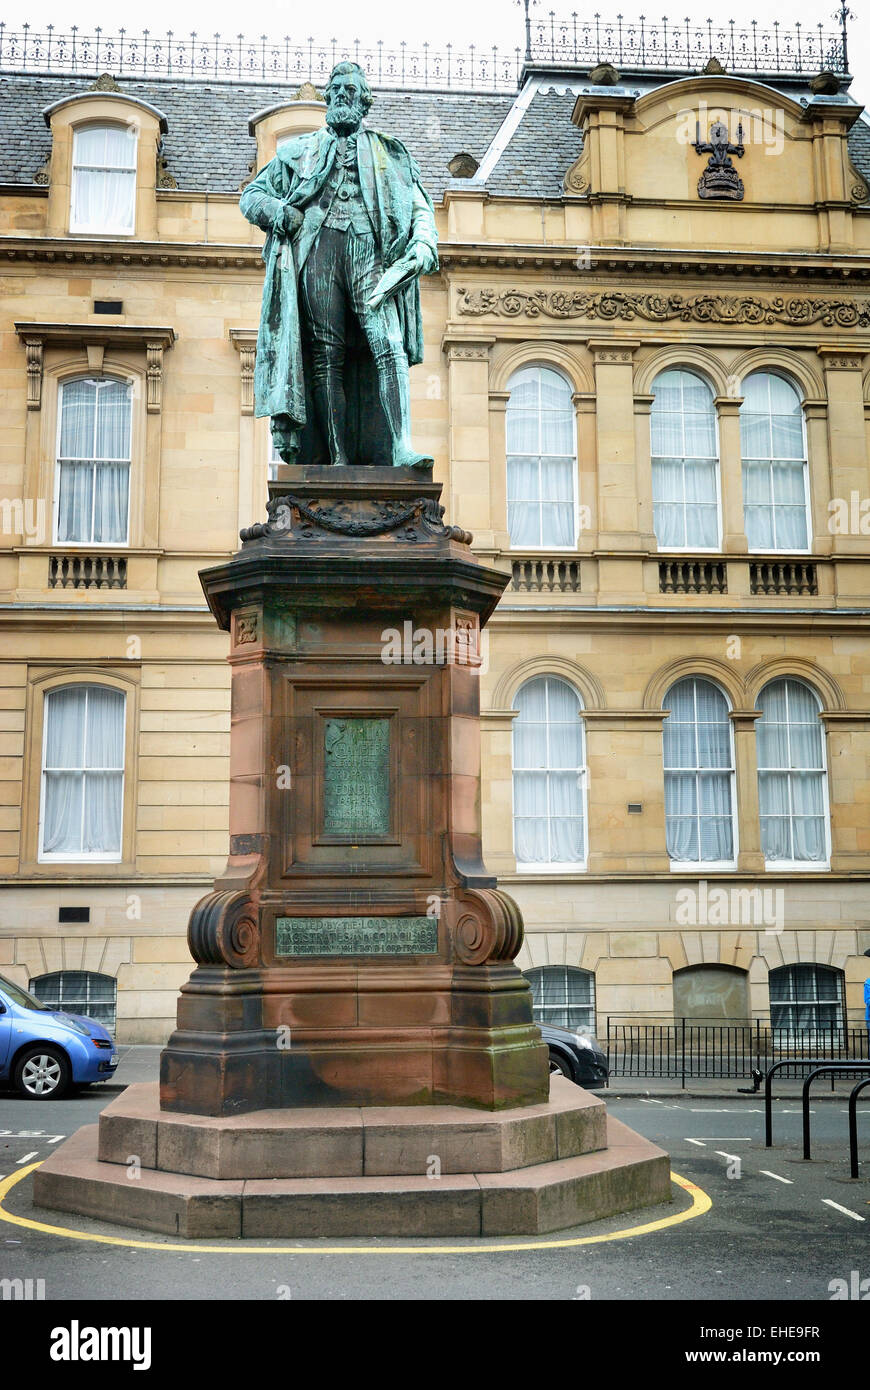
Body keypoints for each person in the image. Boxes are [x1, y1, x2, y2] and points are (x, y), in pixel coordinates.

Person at [240, 61, 439, 468]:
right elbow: (252, 197)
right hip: (318, 251)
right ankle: (337, 459)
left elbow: (420, 207)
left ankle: (400, 446)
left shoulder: (391, 154)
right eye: (337, 89)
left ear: (364, 102)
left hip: (370, 252)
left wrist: (423, 242)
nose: (344, 95)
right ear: (327, 97)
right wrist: (281, 213)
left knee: (388, 344)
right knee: (324, 355)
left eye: (353, 90)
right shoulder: (298, 152)